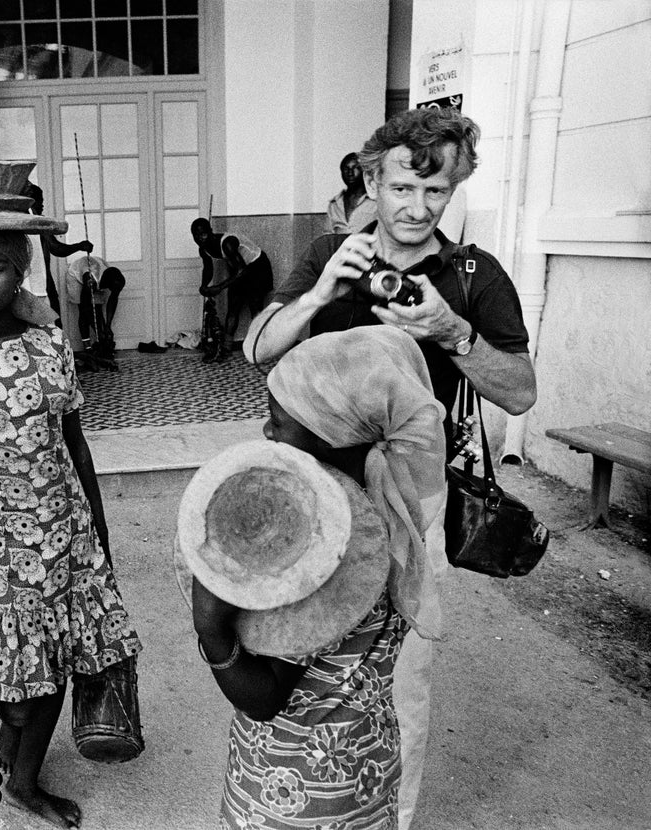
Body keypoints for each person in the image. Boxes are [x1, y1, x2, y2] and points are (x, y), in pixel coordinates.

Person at [242, 107, 536, 830]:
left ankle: (388, 816)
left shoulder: (472, 275)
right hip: (312, 494)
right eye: (403, 188)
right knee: (295, 644)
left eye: (437, 192)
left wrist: (450, 329)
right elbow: (258, 349)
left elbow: (520, 391)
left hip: (413, 501)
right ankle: (297, 798)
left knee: (401, 674)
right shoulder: (329, 252)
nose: (418, 207)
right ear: (371, 182)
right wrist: (320, 293)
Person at [0, 163, 142, 829]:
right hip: (6, 549)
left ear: (20, 275)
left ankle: (22, 777)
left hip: (69, 532)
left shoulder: (48, 346)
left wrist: (100, 533)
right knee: (18, 681)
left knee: (62, 659)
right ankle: (16, 769)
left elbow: (77, 446)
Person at [187, 326, 446, 829]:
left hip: (294, 792)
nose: (267, 431)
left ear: (332, 434)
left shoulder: (317, 553)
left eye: (279, 421)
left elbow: (262, 698)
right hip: (366, 767)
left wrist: (211, 629)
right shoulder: (390, 508)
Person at [190, 218, 273, 363]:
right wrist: (204, 285)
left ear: (210, 232)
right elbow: (208, 268)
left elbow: (242, 270)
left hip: (258, 268)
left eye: (203, 234)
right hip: (239, 269)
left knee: (255, 308)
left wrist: (219, 287)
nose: (200, 238)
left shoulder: (227, 243)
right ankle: (226, 349)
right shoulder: (203, 248)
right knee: (233, 307)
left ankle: (261, 348)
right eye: (196, 236)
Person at [21, 182, 94, 320]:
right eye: (40, 201)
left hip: (43, 280)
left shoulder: (38, 221)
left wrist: (78, 246)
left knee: (53, 321)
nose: (42, 206)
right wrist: (78, 246)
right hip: (28, 282)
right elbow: (56, 248)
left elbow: (55, 248)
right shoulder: (30, 221)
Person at [64, 253, 126, 360]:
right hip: (76, 277)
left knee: (98, 309)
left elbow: (112, 300)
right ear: (106, 284)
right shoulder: (90, 280)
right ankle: (87, 347)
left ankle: (102, 343)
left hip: (97, 278)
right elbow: (86, 307)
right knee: (84, 313)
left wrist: (108, 326)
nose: (114, 291)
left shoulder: (114, 277)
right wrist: (99, 332)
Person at [326, 151, 378, 233]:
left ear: (365, 172)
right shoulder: (334, 204)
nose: (350, 173)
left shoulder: (376, 201)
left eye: (355, 168)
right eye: (346, 169)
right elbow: (328, 235)